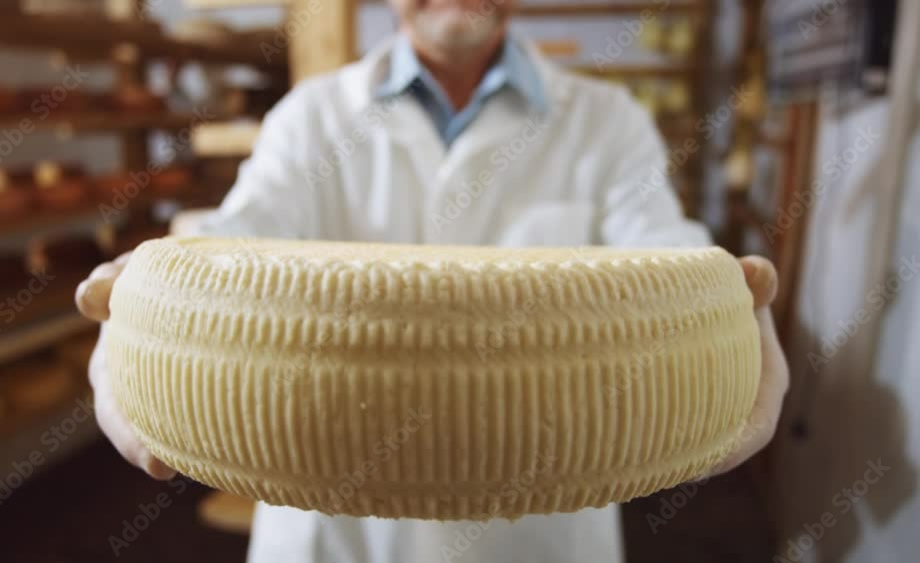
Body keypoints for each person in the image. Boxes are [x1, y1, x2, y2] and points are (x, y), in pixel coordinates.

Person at [76, 0, 790, 561]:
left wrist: (734, 308)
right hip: (330, 521)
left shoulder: (607, 123)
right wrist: (140, 309)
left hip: (537, 522)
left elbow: (667, 255)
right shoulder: (313, 117)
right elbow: (230, 247)